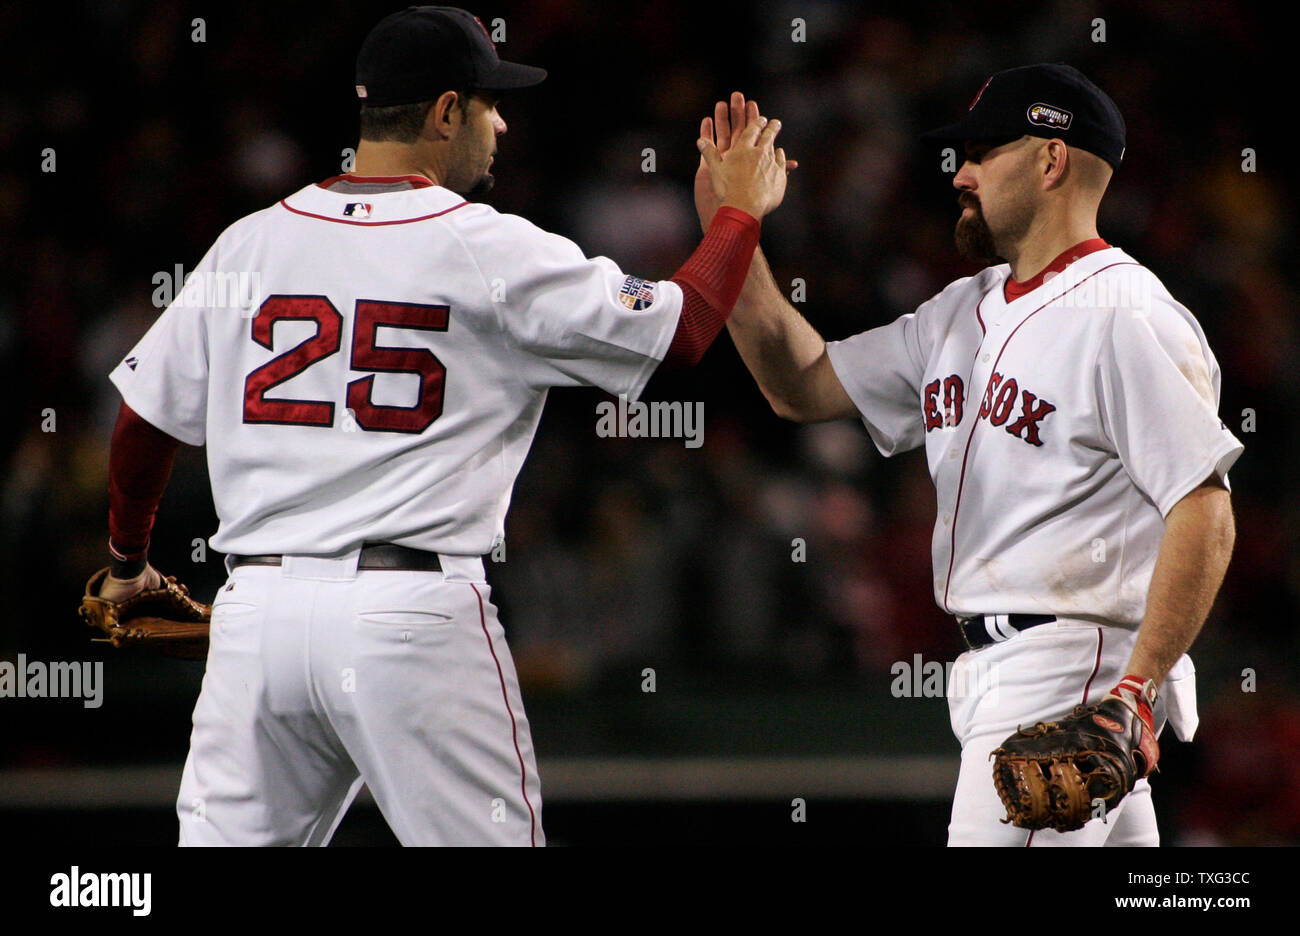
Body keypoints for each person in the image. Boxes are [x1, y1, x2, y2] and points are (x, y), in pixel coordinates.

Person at [96, 5, 788, 846]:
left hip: (257, 619)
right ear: (446, 112)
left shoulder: (250, 242)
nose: (502, 123)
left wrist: (128, 564)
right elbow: (679, 331)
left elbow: (142, 418)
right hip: (411, 615)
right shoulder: (485, 246)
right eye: (491, 103)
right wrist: (739, 216)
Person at [694, 65, 1241, 845]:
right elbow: (802, 385)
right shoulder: (960, 310)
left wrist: (1133, 692)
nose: (961, 171)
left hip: (1067, 667)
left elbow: (1205, 508)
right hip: (1000, 671)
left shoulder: (1126, 313)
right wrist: (734, 231)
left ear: (1052, 160)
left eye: (983, 150)